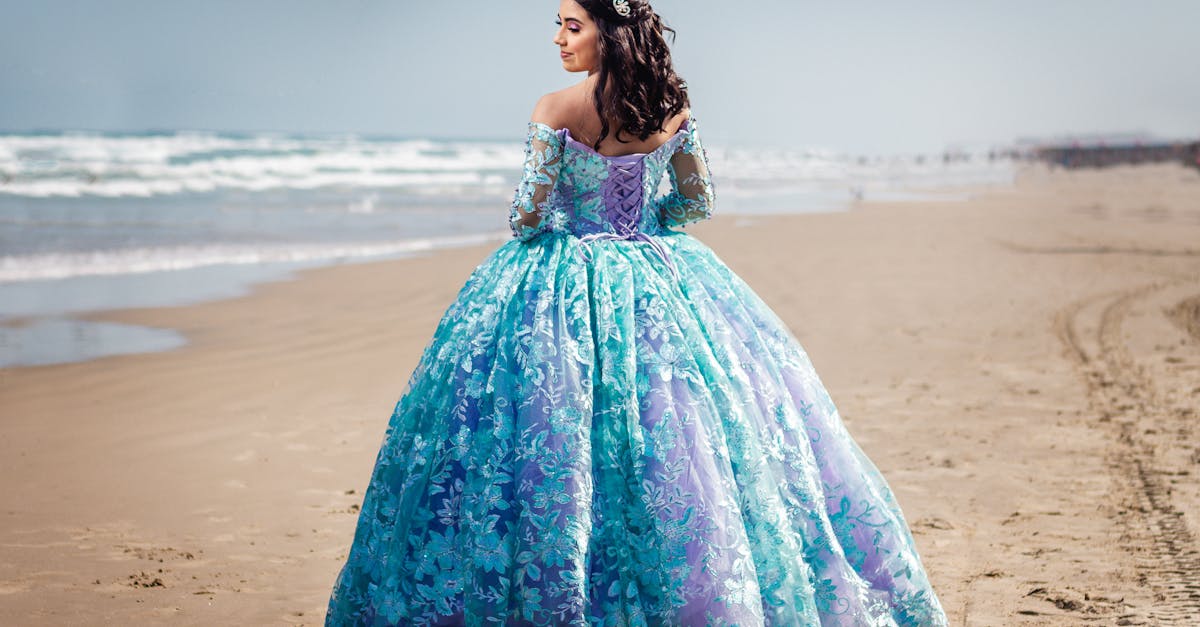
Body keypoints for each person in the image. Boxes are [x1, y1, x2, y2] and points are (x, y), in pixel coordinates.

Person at [324, 1, 949, 625]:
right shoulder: (669, 109)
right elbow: (697, 200)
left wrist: (571, 227)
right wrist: (651, 227)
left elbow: (527, 215)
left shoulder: (555, 108)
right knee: (674, 425)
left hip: (558, 278)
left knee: (542, 426)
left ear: (610, 32)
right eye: (560, 25)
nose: (558, 39)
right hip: (658, 271)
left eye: (573, 26)